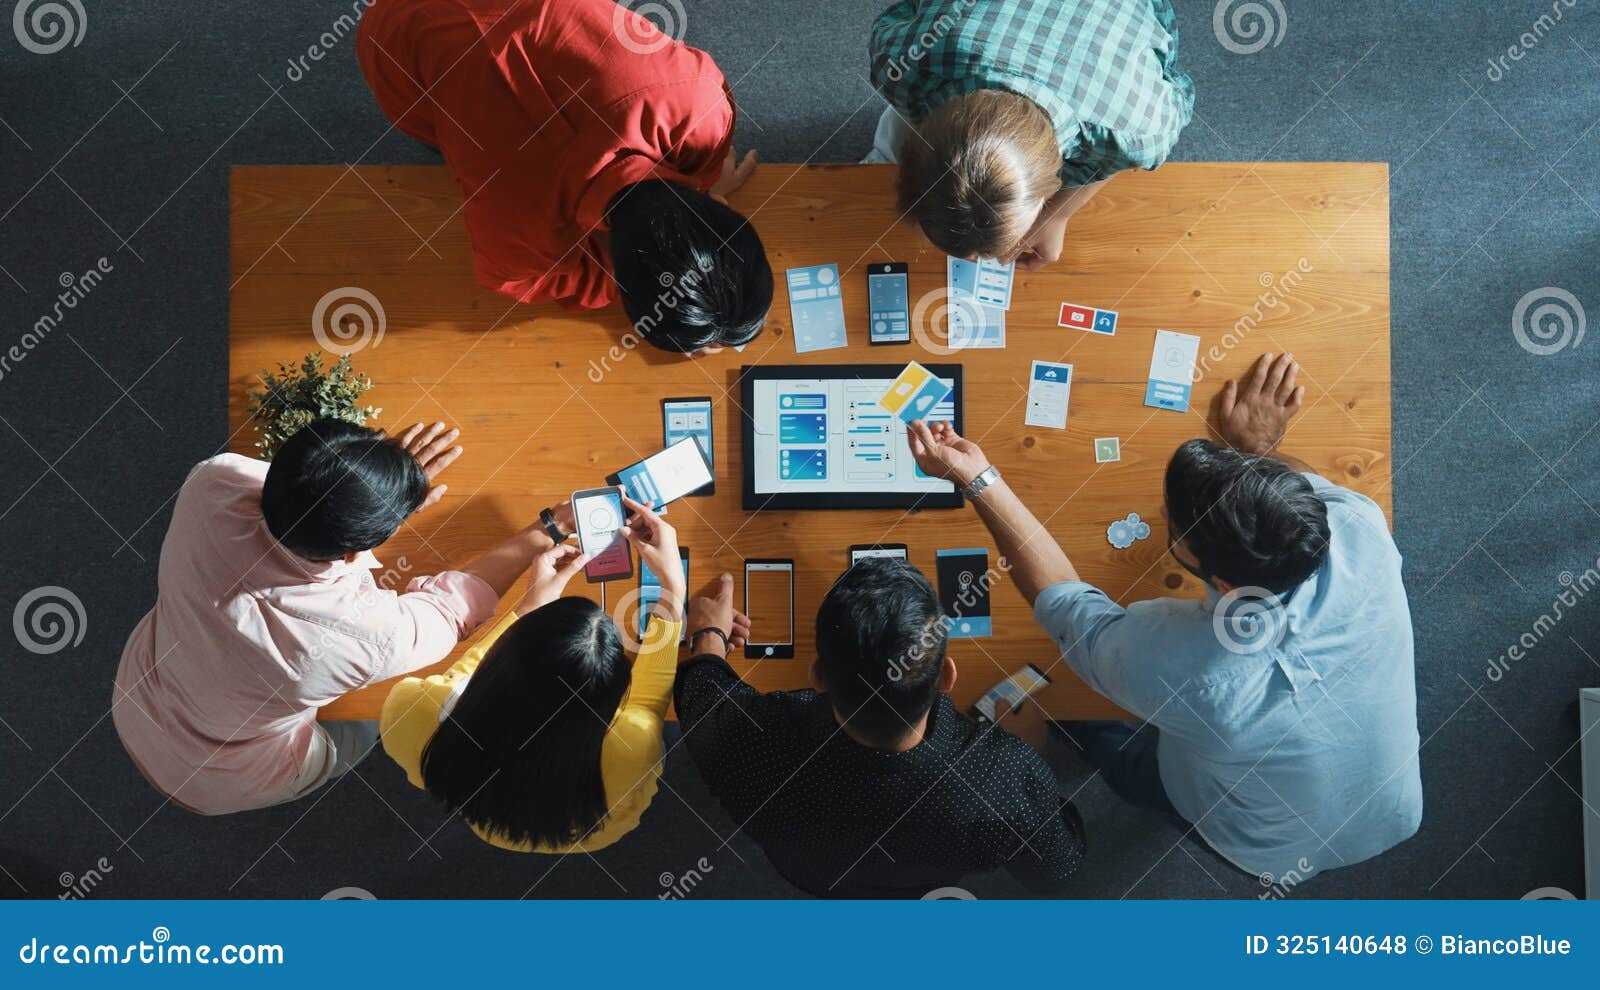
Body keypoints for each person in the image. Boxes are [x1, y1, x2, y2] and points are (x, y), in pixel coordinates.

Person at [905, 352, 1423, 882]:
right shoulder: (1360, 526)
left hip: (1268, 847)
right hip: (1396, 809)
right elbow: (1305, 489)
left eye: (1173, 526)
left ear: (1220, 583)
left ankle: (1085, 743)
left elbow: (1063, 603)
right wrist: (1256, 449)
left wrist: (977, 476)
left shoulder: (1188, 669)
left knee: (1118, 751)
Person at [112, 419, 579, 815]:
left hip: (137, 697)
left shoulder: (212, 483)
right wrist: (548, 530)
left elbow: (292, 494)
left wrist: (369, 493)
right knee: (383, 721)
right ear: (357, 549)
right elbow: (454, 610)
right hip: (222, 778)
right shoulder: (369, 638)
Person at [357, 0, 772, 353]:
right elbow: (520, 280)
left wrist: (705, 181)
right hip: (397, 31)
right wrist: (650, 289)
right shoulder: (517, 230)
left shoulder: (700, 107)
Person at [675, 558, 1086, 898]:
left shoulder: (756, 746)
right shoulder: (1005, 779)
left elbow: (701, 695)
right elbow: (1059, 869)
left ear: (818, 676)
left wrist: (708, 634)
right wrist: (1031, 751)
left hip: (814, 876)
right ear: (946, 676)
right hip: (924, 879)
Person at [380, 495, 712, 852]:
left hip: (481, 810)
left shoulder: (407, 712)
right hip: (589, 829)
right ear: (615, 698)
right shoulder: (629, 755)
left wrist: (528, 608)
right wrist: (673, 588)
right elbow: (647, 703)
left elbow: (466, 676)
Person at [867, 0, 1195, 269]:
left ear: (1044, 195)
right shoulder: (900, 67)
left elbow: (1180, 90)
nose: (972, 261)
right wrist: (1055, 215)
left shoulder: (1138, 131)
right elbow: (901, 15)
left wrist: (1059, 214)